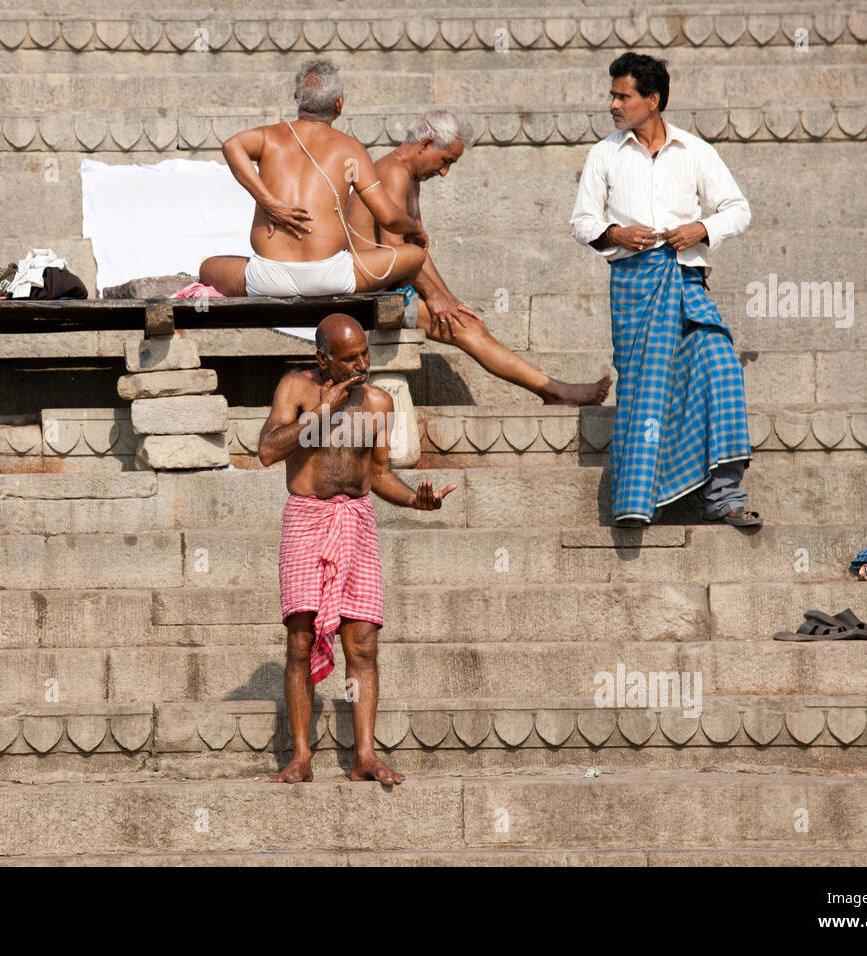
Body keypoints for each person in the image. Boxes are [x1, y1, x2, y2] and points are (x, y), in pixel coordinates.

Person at [258, 313, 456, 784]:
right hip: (308, 520)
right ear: (322, 358)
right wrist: (320, 414)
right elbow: (266, 450)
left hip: (358, 523)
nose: (362, 364)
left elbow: (380, 474)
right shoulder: (295, 389)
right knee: (301, 642)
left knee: (363, 645)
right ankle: (301, 756)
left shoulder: (379, 403)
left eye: (365, 353)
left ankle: (364, 755)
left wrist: (415, 501)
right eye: (350, 358)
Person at [570, 52, 762, 528]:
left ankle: (725, 496)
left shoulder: (694, 151)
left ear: (652, 101)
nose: (613, 104)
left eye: (623, 95)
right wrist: (615, 234)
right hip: (635, 287)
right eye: (612, 95)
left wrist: (701, 228)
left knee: (721, 369)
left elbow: (738, 209)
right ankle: (639, 502)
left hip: (686, 281)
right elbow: (582, 222)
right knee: (644, 391)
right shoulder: (605, 153)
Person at [346, 109, 612, 406]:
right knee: (468, 329)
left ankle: (553, 390)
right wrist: (434, 296)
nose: (444, 172)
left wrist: (448, 298)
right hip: (372, 294)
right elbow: (395, 251)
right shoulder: (394, 171)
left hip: (388, 285)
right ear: (426, 144)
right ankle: (554, 391)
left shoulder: (408, 173)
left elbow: (416, 251)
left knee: (464, 320)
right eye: (445, 160)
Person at [199, 59, 429, 298]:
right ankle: (395, 304)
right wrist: (416, 228)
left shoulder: (270, 137)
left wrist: (269, 203)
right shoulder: (351, 150)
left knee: (207, 267)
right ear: (339, 104)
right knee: (415, 255)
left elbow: (231, 145)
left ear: (297, 96)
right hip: (331, 277)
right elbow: (389, 218)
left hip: (268, 278)